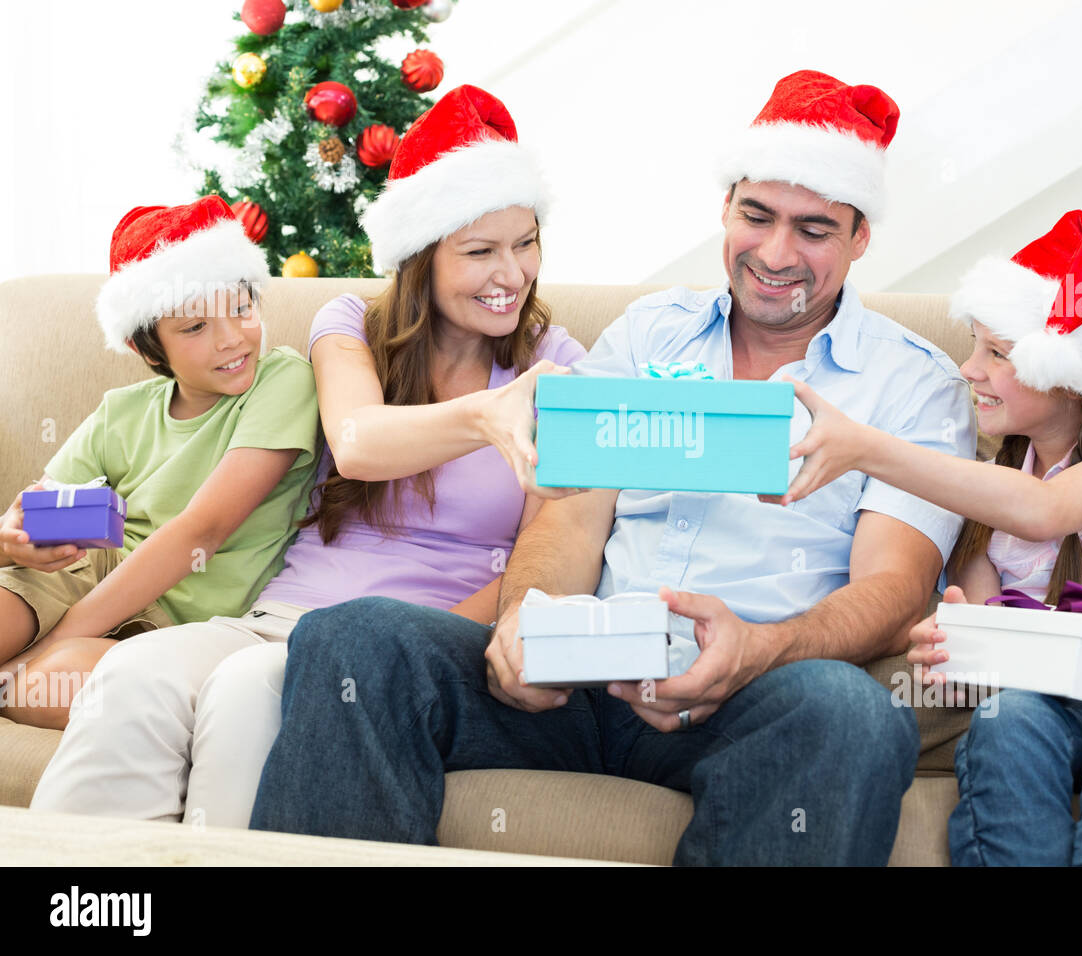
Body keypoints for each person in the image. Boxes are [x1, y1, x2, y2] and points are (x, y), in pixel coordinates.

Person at [247, 70, 978, 866]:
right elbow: (566, 512)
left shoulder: (916, 383)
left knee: (854, 713)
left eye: (813, 229)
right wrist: (526, 620)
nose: (775, 253)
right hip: (580, 678)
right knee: (352, 639)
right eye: (756, 216)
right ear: (725, 208)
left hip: (752, 690)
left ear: (860, 236)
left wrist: (761, 651)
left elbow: (895, 584)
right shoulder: (647, 333)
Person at [30, 85, 586, 826]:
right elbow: (357, 443)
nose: (512, 273)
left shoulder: (560, 367)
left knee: (245, 695)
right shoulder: (349, 324)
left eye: (526, 243)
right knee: (133, 675)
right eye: (480, 250)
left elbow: (546, 551)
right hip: (281, 612)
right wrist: (487, 416)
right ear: (419, 257)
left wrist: (409, 648)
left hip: (408, 641)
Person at [775, 209, 1082, 865]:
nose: (970, 369)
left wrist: (867, 448)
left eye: (998, 354)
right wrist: (960, 652)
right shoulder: (993, 481)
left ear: (1071, 374)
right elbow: (986, 631)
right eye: (974, 345)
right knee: (1006, 726)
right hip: (1063, 700)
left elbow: (1046, 510)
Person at [0, 196, 320, 729]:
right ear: (148, 349)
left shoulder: (284, 380)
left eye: (240, 308)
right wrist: (11, 538)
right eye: (194, 328)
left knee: (62, 684)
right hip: (89, 574)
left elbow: (202, 530)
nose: (231, 338)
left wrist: (57, 642)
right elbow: (36, 511)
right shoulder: (121, 412)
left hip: (174, 621)